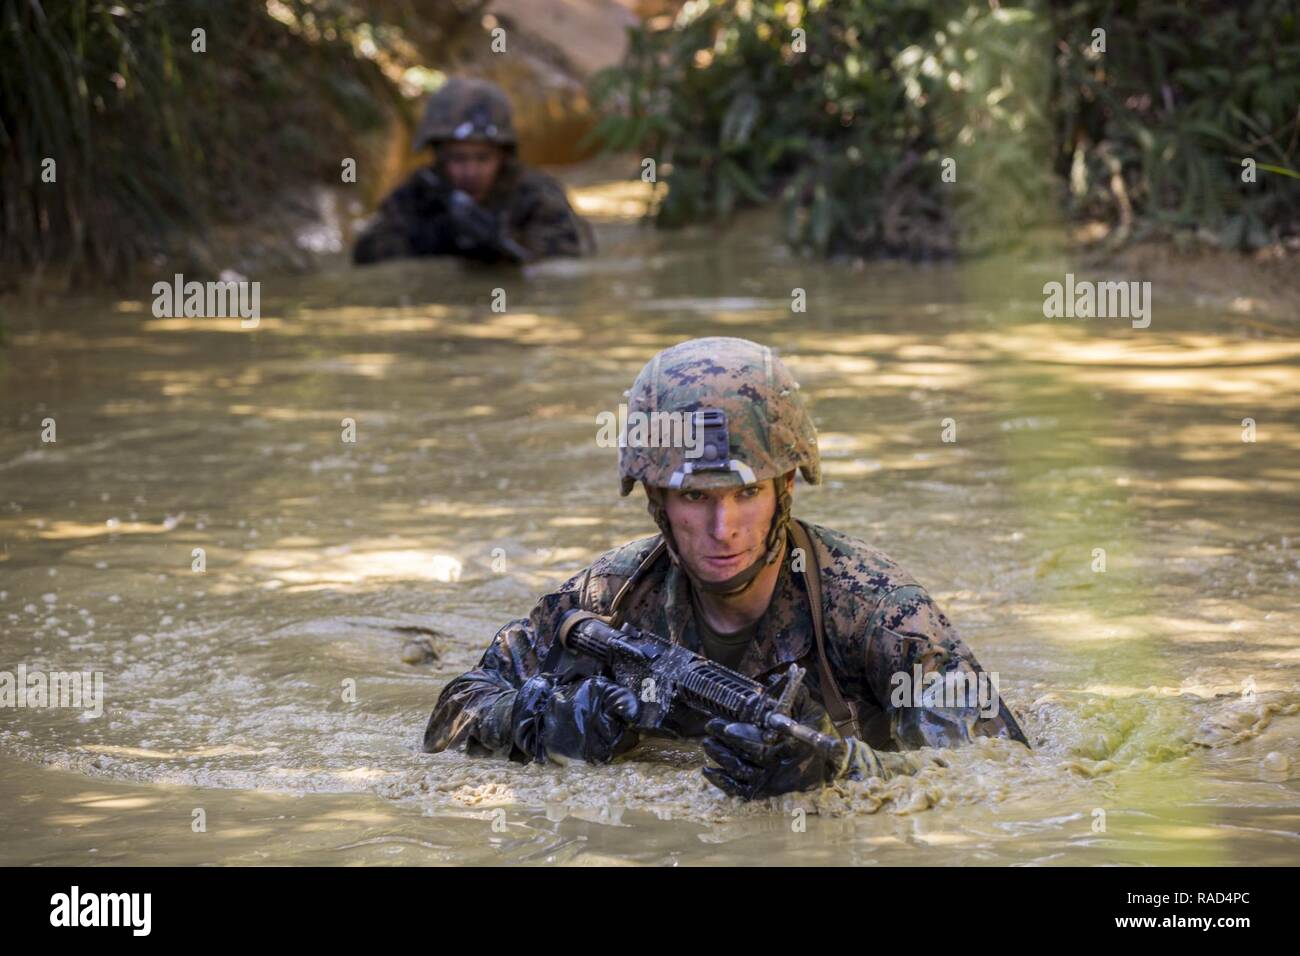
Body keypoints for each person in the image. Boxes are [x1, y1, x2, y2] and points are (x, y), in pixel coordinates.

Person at [422, 337, 1028, 800]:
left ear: (785, 488)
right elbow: (452, 714)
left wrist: (837, 773)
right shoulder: (608, 598)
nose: (722, 529)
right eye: (695, 498)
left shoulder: (875, 609)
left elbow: (1001, 774)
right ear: (656, 500)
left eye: (746, 495)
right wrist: (546, 723)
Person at [352, 77, 593, 266]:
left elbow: (565, 263)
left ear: (503, 155)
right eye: (458, 159)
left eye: (482, 158)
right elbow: (366, 253)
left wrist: (503, 249)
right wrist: (432, 238)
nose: (470, 171)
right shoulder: (422, 191)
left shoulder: (535, 194)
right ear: (439, 157)